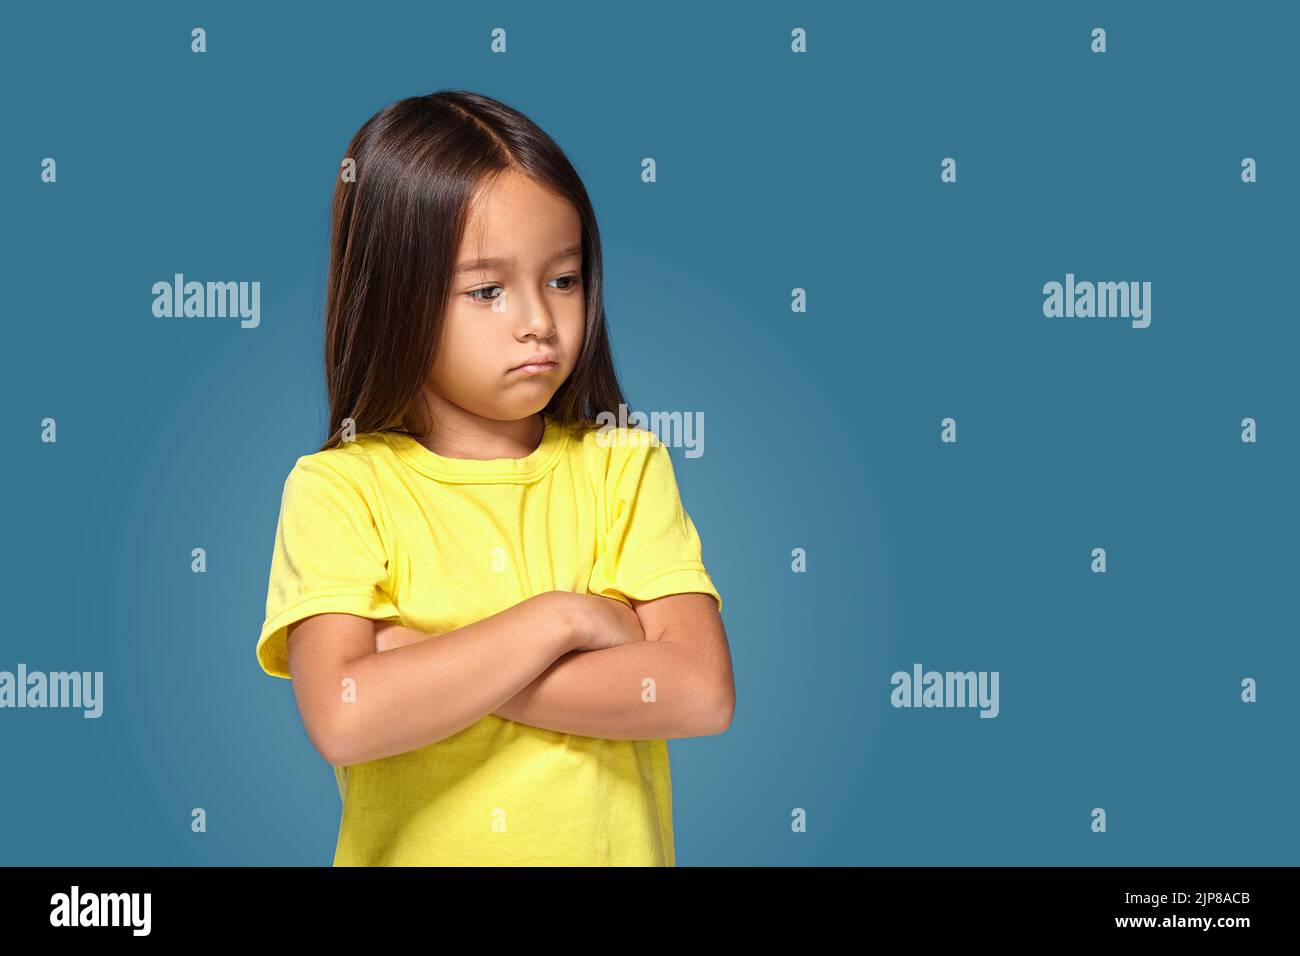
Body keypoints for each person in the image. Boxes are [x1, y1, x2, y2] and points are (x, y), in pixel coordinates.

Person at [255, 90, 733, 866]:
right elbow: (344, 716)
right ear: (394, 294)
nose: (538, 320)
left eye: (564, 280)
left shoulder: (624, 467)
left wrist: (426, 669)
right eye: (487, 290)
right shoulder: (339, 490)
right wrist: (561, 622)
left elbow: (698, 691)